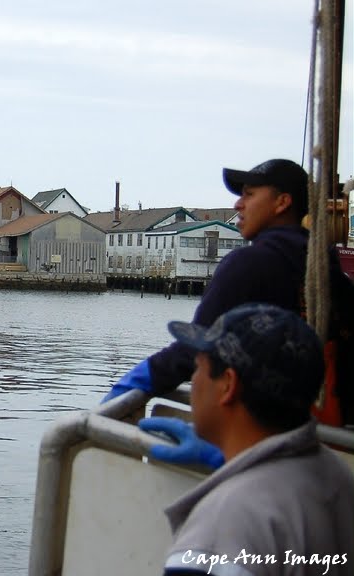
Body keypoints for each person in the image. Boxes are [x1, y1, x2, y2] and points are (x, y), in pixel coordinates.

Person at [104, 159, 352, 409]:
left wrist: (135, 382)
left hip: (261, 426)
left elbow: (197, 347)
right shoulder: (327, 268)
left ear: (282, 202)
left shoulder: (249, 264)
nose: (238, 204)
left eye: (249, 194)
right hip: (320, 422)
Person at [145, 303, 354, 576]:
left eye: (198, 368)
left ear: (228, 386)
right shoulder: (338, 477)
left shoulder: (221, 528)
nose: (193, 382)